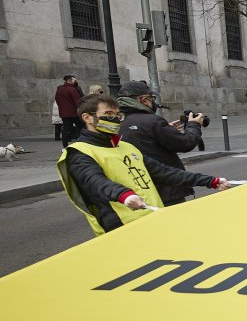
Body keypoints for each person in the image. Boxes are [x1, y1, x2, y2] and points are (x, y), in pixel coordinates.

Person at [57, 94, 230, 236]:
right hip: (122, 229)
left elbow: (164, 172)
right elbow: (94, 181)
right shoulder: (78, 152)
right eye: (109, 114)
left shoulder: (125, 147)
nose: (116, 120)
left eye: (118, 115)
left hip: (153, 219)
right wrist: (124, 195)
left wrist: (209, 181)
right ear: (87, 118)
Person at [116, 81, 205, 205]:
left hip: (139, 189)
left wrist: (165, 130)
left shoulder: (118, 123)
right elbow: (186, 143)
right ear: (144, 100)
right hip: (166, 188)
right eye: (151, 98)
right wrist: (193, 125)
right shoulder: (152, 122)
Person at [55, 74, 84, 148]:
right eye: (74, 80)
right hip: (74, 113)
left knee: (66, 129)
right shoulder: (72, 89)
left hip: (64, 113)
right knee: (82, 126)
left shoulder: (59, 89)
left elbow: (57, 100)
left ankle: (65, 145)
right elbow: (77, 101)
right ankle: (83, 142)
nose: (76, 82)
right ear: (70, 80)